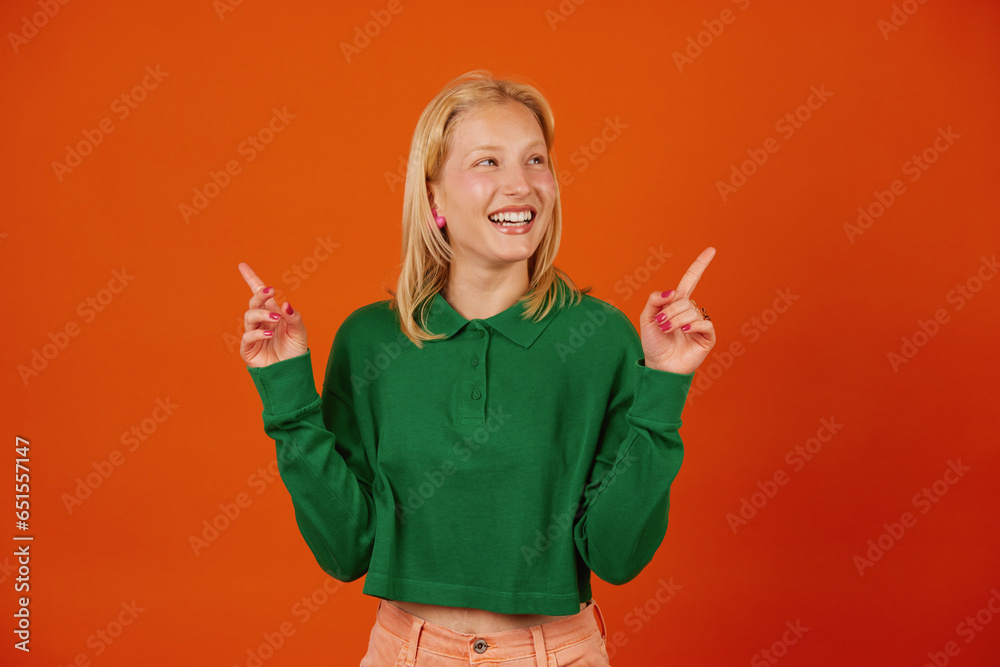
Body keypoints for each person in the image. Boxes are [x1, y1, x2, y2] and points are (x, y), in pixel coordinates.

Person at [238, 69, 716, 667]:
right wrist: (286, 391)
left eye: (535, 160)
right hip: (404, 652)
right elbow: (346, 550)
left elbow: (617, 556)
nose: (521, 185)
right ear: (434, 198)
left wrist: (665, 385)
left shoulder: (600, 339)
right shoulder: (369, 341)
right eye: (488, 162)